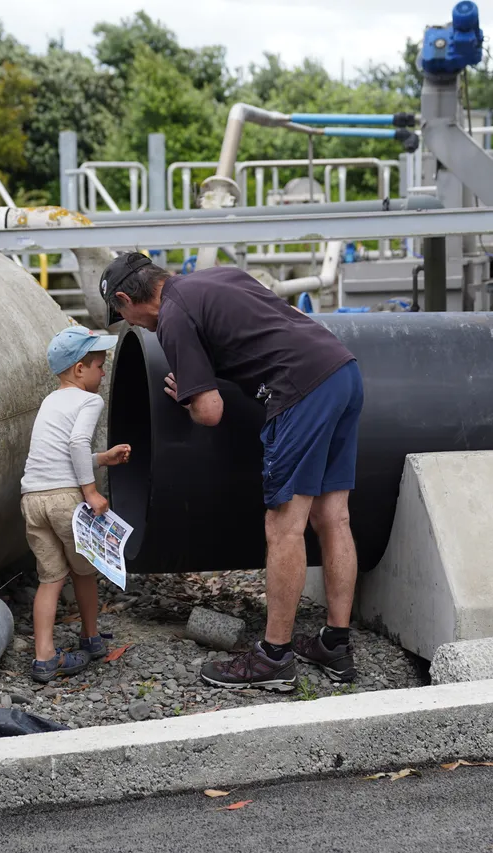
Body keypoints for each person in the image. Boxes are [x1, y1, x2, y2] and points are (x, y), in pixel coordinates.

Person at [101, 253, 364, 692]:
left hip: (300, 391)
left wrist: (188, 395)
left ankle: (274, 658)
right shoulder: (216, 278)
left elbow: (210, 412)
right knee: (332, 516)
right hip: (341, 369)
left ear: (127, 298)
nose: (129, 324)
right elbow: (277, 324)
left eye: (122, 315)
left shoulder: (172, 316)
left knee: (284, 525)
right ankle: (335, 643)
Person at [21, 325, 131, 683]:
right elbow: (76, 444)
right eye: (100, 365)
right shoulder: (89, 400)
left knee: (50, 578)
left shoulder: (51, 401)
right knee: (85, 570)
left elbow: (62, 453)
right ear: (79, 369)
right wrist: (91, 492)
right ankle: (91, 636)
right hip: (65, 499)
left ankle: (44, 657)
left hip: (33, 498)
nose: (103, 372)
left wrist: (103, 459)